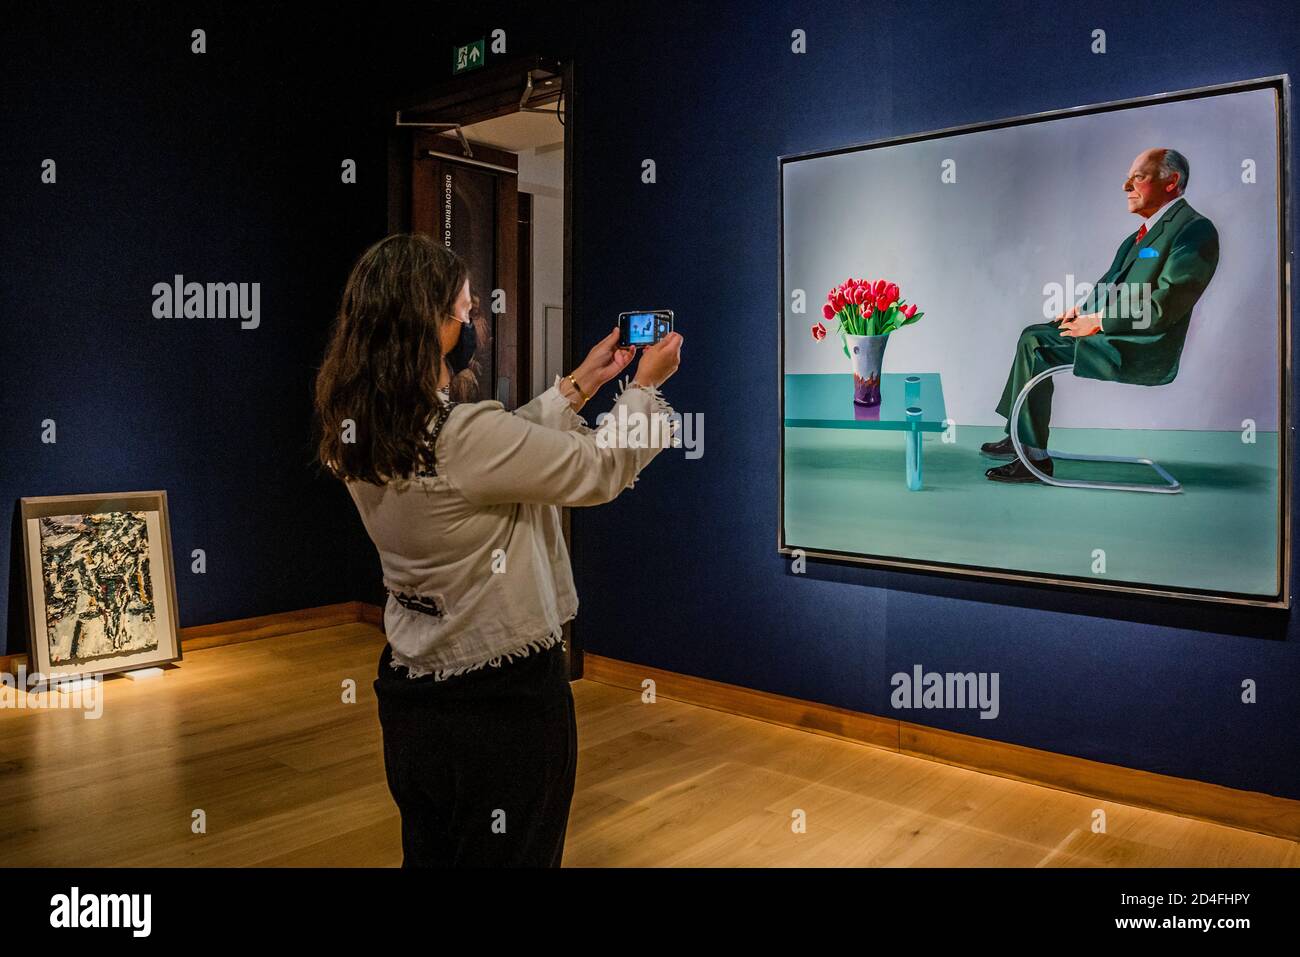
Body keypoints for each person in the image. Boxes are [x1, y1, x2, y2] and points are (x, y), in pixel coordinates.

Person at [313, 234, 683, 865]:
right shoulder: (461, 435)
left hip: (413, 694)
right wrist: (644, 389)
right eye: (465, 310)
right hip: (503, 705)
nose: (473, 323)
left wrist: (579, 384)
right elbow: (599, 468)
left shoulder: (361, 430)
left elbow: (497, 453)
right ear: (432, 324)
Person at [983, 147, 1219, 483]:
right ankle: (1020, 436)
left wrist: (1097, 321)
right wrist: (1081, 311)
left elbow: (1163, 306)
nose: (1126, 186)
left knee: (1037, 344)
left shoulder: (1194, 230)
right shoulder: (1142, 235)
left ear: (1171, 182)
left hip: (1144, 343)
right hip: (1120, 330)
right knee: (1033, 334)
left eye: (1138, 177)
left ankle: (1034, 460)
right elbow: (1108, 285)